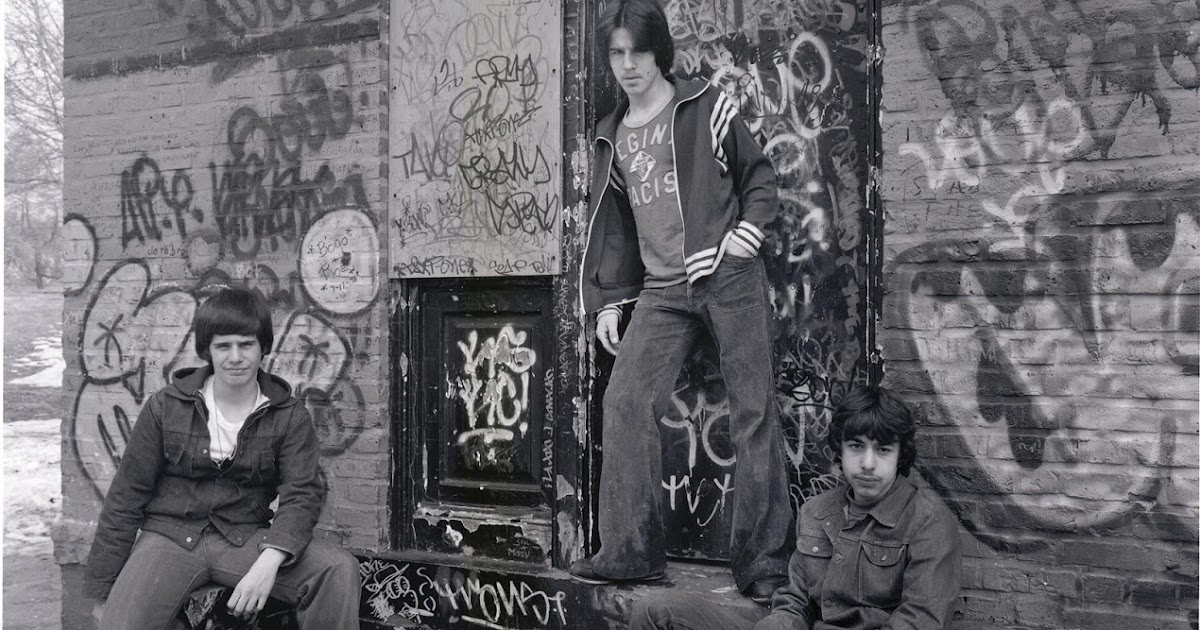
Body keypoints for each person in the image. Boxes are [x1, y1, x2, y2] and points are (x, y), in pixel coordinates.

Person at [572, 0, 792, 601]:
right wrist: (613, 301)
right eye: (616, 54)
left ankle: (764, 566)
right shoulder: (611, 133)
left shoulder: (704, 107)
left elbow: (759, 178)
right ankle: (630, 553)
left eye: (638, 53)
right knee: (624, 402)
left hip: (726, 277)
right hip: (662, 291)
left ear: (659, 52)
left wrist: (743, 239)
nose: (627, 65)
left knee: (753, 411)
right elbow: (616, 227)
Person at [84, 288, 361, 629]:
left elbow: (302, 495)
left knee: (337, 567)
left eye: (246, 344)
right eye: (223, 346)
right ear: (207, 350)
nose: (235, 357)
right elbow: (126, 496)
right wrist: (102, 591)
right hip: (169, 539)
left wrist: (269, 560)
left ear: (263, 348)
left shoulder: (289, 415)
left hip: (244, 539)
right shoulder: (166, 406)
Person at [629, 385, 963, 630]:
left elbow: (920, 623)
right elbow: (796, 602)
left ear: (901, 454)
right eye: (856, 447)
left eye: (883, 450)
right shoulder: (818, 511)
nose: (868, 464)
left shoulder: (928, 522)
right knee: (656, 610)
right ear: (839, 449)